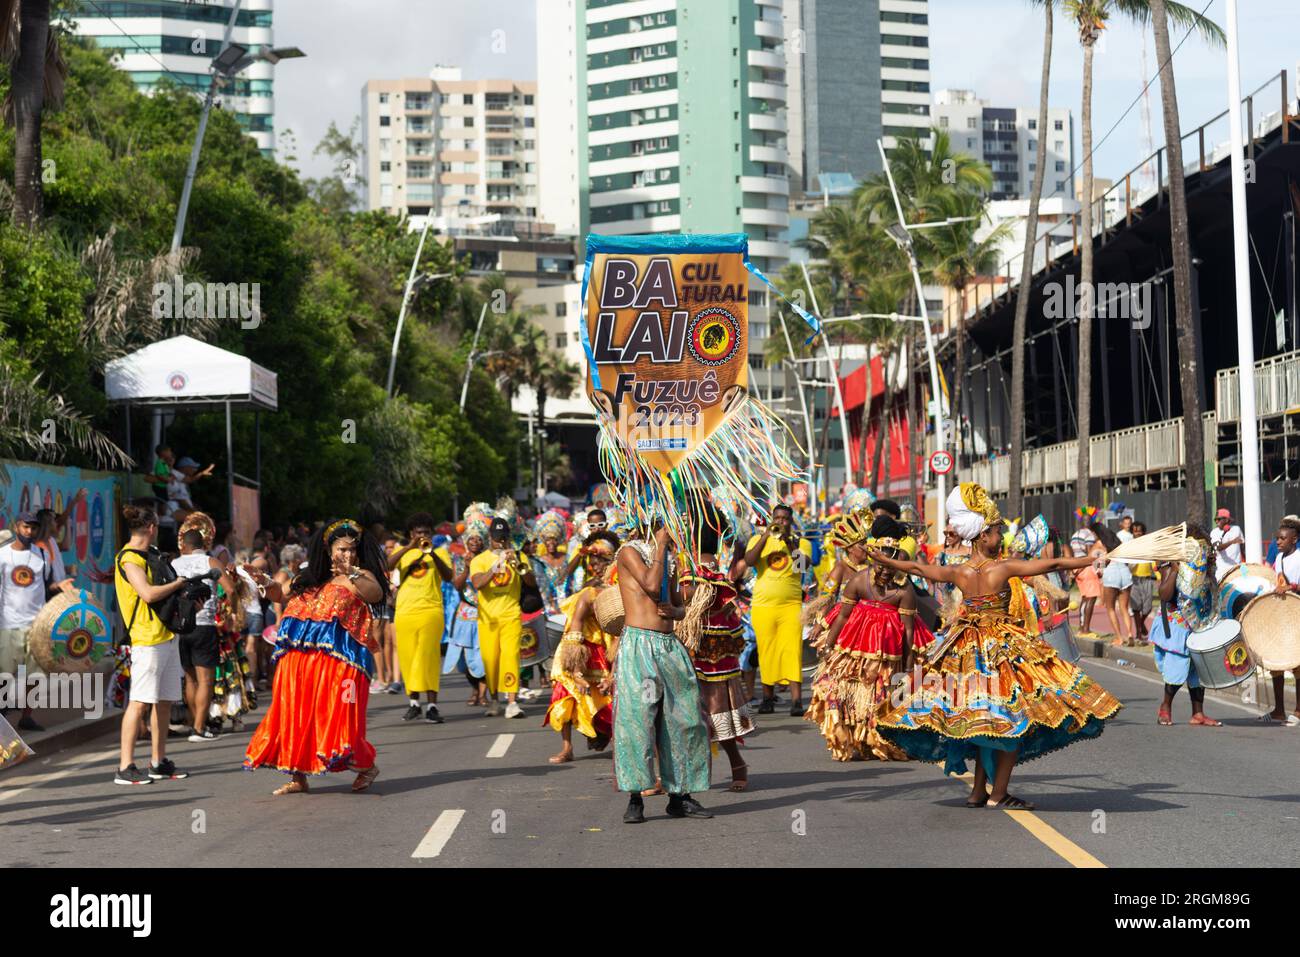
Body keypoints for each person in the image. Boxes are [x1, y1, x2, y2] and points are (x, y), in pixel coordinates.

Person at [872, 484, 1122, 810]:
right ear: (981, 536)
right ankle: (999, 793)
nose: (1000, 537)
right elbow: (1052, 566)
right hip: (1001, 647)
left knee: (986, 722)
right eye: (995, 531)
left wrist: (884, 560)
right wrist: (1092, 558)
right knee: (1013, 720)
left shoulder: (960, 570)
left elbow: (918, 568)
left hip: (966, 649)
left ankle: (978, 792)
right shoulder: (1002, 568)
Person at [243, 519, 388, 794]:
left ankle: (366, 766)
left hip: (344, 663)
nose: (348, 555)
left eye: (352, 550)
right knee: (295, 714)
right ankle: (298, 776)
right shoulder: (310, 575)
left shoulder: (359, 577)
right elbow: (280, 593)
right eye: (342, 550)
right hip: (298, 660)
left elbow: (375, 593)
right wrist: (263, 581)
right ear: (329, 549)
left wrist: (353, 572)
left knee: (341, 717)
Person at [807, 514, 936, 762]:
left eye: (891, 564)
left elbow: (908, 630)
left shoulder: (904, 589)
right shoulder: (857, 581)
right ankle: (853, 739)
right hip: (854, 652)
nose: (885, 571)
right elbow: (843, 617)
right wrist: (829, 645)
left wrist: (909, 667)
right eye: (881, 563)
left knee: (881, 696)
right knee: (846, 692)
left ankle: (878, 740)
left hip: (889, 656)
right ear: (873, 556)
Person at [612, 525, 710, 824]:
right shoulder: (629, 551)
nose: (677, 530)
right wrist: (662, 545)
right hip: (639, 646)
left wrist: (677, 612)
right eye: (669, 527)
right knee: (638, 720)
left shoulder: (668, 557)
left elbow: (678, 605)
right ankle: (635, 797)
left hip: (669, 646)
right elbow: (651, 586)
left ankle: (679, 796)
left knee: (685, 719)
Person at [113, 504, 193, 785]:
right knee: (139, 703)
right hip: (147, 639)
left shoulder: (152, 555)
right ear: (151, 528)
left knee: (164, 701)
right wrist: (179, 583)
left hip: (167, 635)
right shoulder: (129, 559)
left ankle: (158, 761)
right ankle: (125, 766)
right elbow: (147, 594)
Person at [680, 513, 754, 791]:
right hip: (699, 645)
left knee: (710, 709)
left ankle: (736, 764)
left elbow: (692, 600)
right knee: (699, 711)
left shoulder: (704, 565)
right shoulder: (692, 563)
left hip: (709, 647)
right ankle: (718, 767)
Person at [544, 531, 620, 763]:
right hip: (580, 647)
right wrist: (575, 671)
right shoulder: (589, 593)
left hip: (608, 648)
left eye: (602, 563)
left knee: (614, 696)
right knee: (565, 693)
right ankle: (567, 748)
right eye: (593, 563)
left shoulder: (621, 590)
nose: (596, 567)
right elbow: (575, 627)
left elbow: (621, 632)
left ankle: (621, 748)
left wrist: (615, 673)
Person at [0, 510, 76, 732]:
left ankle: (26, 716)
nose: (29, 531)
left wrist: (60, 586)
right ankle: (3, 716)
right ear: (17, 527)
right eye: (25, 527)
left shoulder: (41, 555)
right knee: (5, 672)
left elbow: (47, 585)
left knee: (36, 674)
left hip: (36, 624)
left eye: (33, 528)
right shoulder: (3, 555)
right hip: (8, 624)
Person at [171, 519, 237, 741]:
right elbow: (231, 590)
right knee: (206, 680)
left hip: (181, 628)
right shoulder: (211, 561)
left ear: (185, 545)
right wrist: (230, 614)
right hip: (204, 625)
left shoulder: (174, 564)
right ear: (203, 543)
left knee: (190, 679)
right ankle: (199, 728)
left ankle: (194, 723)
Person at [743, 503, 812, 716]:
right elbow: (749, 561)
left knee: (792, 650)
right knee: (767, 652)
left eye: (785, 519)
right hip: (763, 606)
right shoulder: (758, 540)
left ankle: (797, 701)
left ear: (791, 522)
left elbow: (802, 566)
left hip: (790, 606)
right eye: (778, 518)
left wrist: (790, 545)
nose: (781, 522)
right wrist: (765, 536)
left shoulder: (801, 543)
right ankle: (767, 698)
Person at [1150, 525, 1221, 727]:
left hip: (1199, 623)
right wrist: (1174, 570)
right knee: (1177, 667)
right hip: (1178, 624)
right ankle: (1165, 707)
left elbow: (1209, 592)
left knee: (1198, 669)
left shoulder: (1204, 565)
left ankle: (1198, 713)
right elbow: (1164, 595)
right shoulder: (1169, 563)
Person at [388, 513, 454, 723]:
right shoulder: (402, 552)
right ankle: (414, 703)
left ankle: (432, 706)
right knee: (408, 658)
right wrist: (410, 548)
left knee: (427, 656)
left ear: (432, 534)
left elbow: (448, 576)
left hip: (431, 610)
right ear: (411, 534)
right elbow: (387, 566)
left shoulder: (440, 553)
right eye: (419, 532)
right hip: (405, 612)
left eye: (426, 532)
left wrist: (431, 554)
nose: (423, 535)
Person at [470, 517, 535, 718]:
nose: (501, 542)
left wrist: (517, 565)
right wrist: (497, 563)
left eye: (504, 538)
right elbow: (478, 583)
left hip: (511, 614)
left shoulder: (518, 556)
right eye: (497, 538)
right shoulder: (479, 560)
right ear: (490, 538)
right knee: (491, 661)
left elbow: (531, 582)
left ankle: (512, 702)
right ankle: (495, 700)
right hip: (488, 619)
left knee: (510, 657)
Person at [446, 516, 489, 706]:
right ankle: (474, 689)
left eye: (479, 539)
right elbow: (457, 585)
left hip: (485, 612)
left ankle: (482, 694)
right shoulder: (458, 559)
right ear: (466, 541)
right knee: (464, 658)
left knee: (483, 655)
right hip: (465, 613)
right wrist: (467, 568)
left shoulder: (489, 559)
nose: (475, 542)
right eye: (471, 539)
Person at [1265, 517, 1300, 725]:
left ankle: (1298, 710)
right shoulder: (1279, 558)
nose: (1278, 542)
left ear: (1293, 539)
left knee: (1297, 664)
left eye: (1282, 538)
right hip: (1281, 614)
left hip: (1297, 613)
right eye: (1277, 538)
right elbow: (1278, 582)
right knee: (1275, 661)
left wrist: (1291, 588)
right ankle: (1278, 710)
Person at [1093, 522, 1133, 646]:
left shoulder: (1099, 544)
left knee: (1110, 608)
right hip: (1125, 574)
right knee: (1124, 608)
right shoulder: (1118, 541)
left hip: (1111, 575)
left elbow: (1097, 562)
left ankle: (1119, 638)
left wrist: (1098, 570)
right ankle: (1130, 634)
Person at [1128, 522, 1156, 645]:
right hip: (1135, 579)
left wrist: (1158, 574)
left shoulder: (1148, 545)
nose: (1137, 533)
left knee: (1148, 608)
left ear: (1143, 532)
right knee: (1135, 608)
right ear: (1132, 533)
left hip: (1148, 579)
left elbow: (1153, 561)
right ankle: (1139, 633)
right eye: (1135, 531)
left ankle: (1141, 624)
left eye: (1139, 531)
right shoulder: (1130, 546)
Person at [1211, 508, 1245, 582]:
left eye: (1219, 519)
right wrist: (1232, 542)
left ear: (1226, 520)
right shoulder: (1214, 532)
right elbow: (1218, 548)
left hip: (1236, 569)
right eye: (1215, 519)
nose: (1216, 521)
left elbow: (1242, 547)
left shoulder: (1237, 529)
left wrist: (1244, 563)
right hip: (1222, 571)